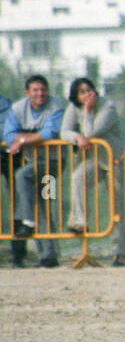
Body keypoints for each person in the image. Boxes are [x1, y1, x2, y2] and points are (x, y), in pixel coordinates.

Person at [60, 76, 125, 264]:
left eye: (89, 90)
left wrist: (88, 111)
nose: (88, 94)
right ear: (76, 96)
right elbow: (64, 131)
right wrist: (76, 137)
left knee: (117, 205)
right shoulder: (74, 107)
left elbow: (91, 133)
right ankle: (80, 221)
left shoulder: (108, 107)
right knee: (77, 177)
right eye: (82, 92)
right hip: (96, 159)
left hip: (116, 159)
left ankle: (120, 251)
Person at [3, 75, 65, 267]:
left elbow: (50, 133)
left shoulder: (56, 106)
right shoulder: (17, 108)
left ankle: (29, 222)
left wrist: (22, 139)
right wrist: (31, 137)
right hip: (33, 163)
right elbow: (8, 134)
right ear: (27, 92)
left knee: (45, 199)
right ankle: (48, 254)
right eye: (35, 90)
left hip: (53, 164)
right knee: (40, 202)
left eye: (43, 89)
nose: (40, 93)